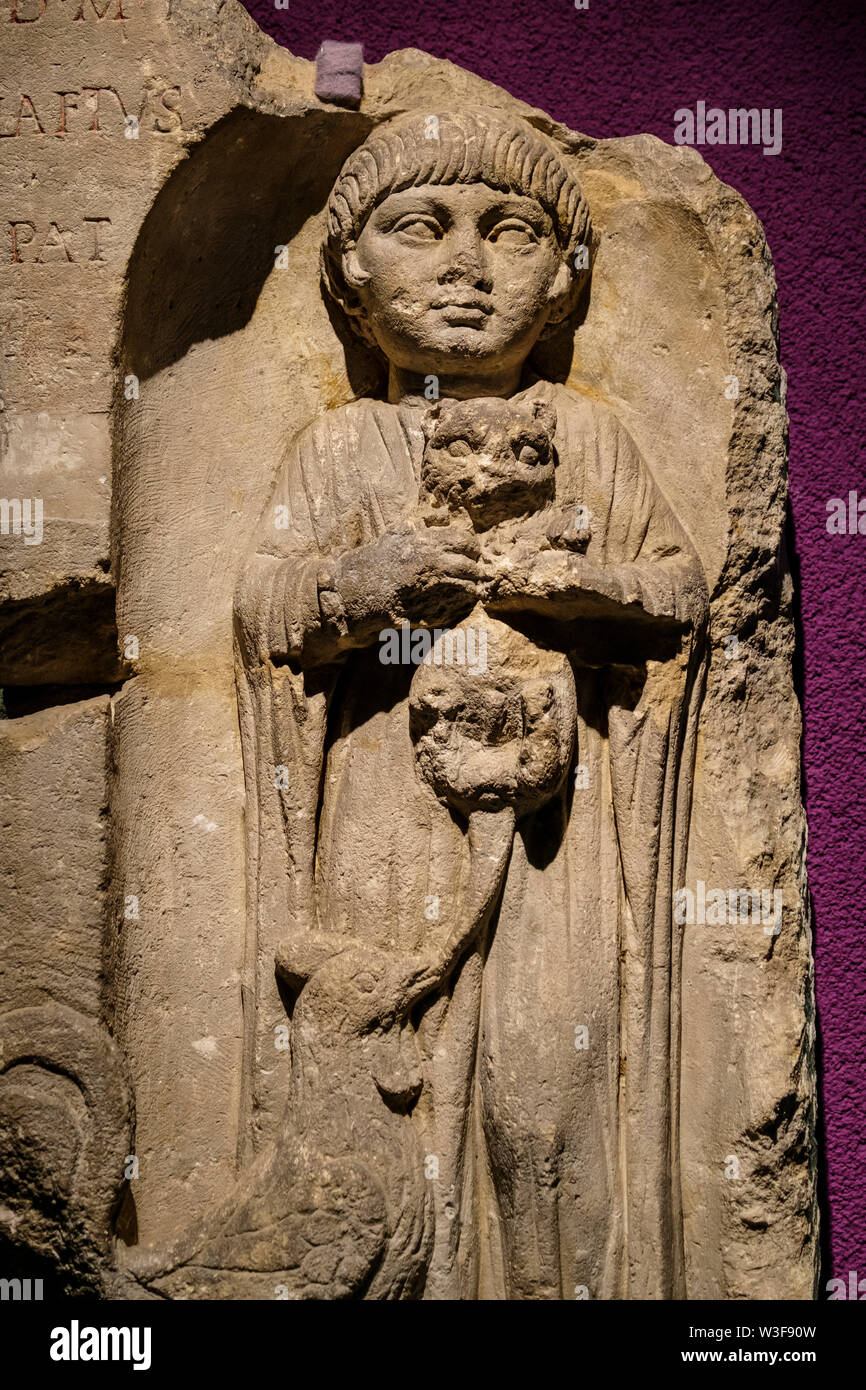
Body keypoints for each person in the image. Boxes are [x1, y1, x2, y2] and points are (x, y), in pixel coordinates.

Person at [235, 109, 708, 1299]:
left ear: (560, 281)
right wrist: (358, 585)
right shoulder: (340, 448)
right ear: (352, 277)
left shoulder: (590, 435)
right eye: (418, 229)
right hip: (382, 820)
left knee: (543, 1093)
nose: (464, 265)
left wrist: (591, 588)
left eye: (507, 234)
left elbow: (681, 594)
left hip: (563, 831)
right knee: (400, 1091)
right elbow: (267, 611)